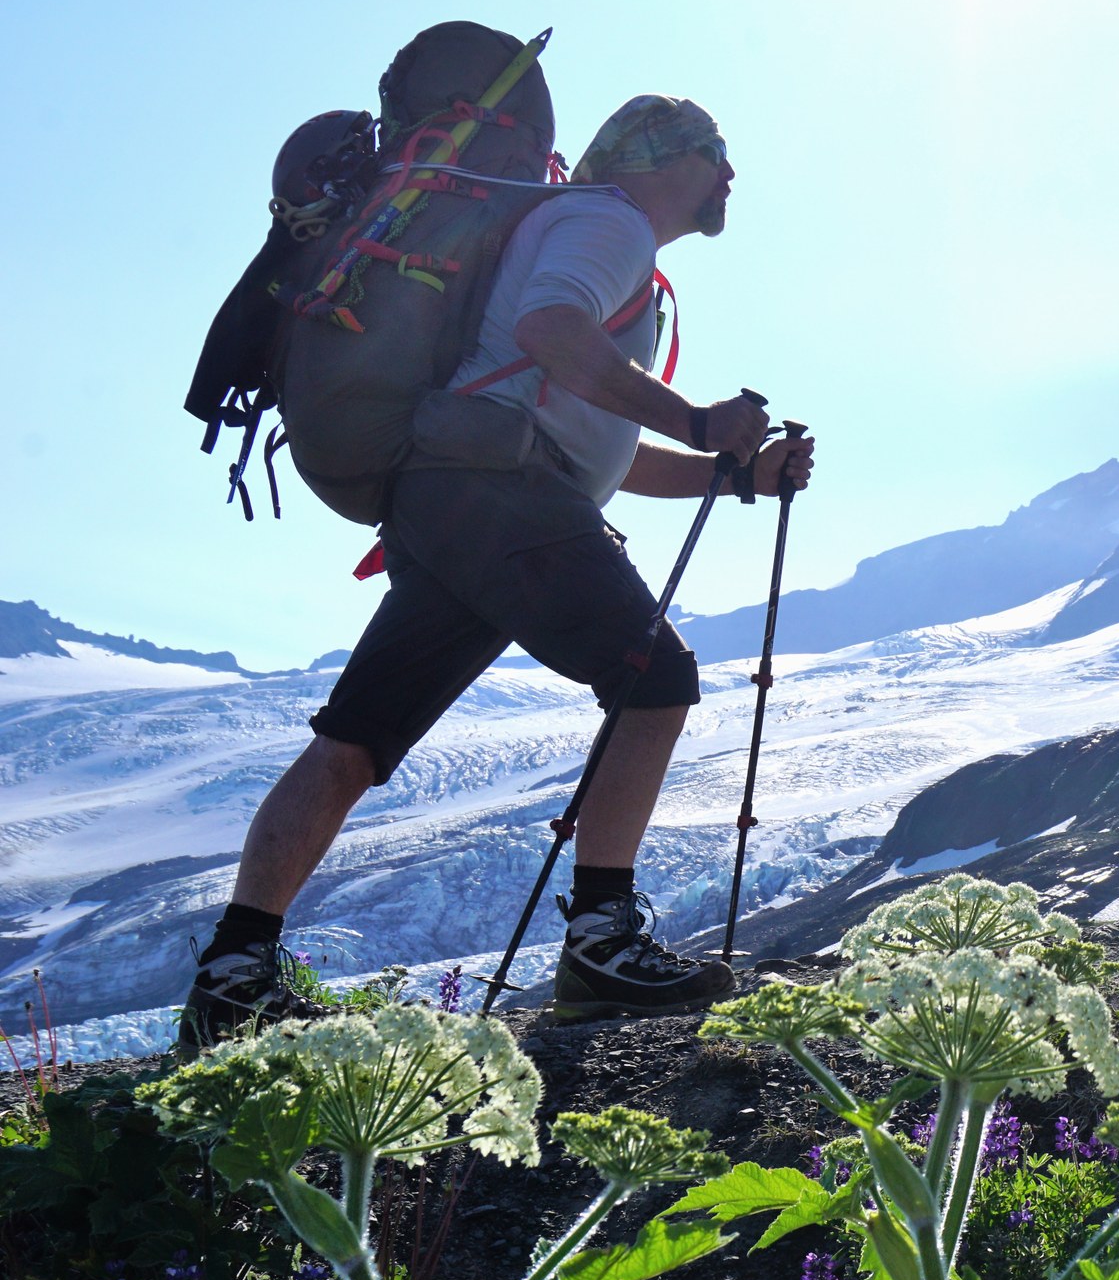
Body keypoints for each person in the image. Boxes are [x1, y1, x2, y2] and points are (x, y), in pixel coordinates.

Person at [178, 95, 813, 1051]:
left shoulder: (587, 231)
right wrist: (695, 421)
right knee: (653, 677)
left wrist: (738, 476)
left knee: (354, 741)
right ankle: (601, 944)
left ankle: (233, 978)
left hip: (458, 490)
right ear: (650, 158)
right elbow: (551, 333)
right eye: (712, 150)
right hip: (502, 488)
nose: (729, 172)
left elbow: (602, 452)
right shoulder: (609, 223)